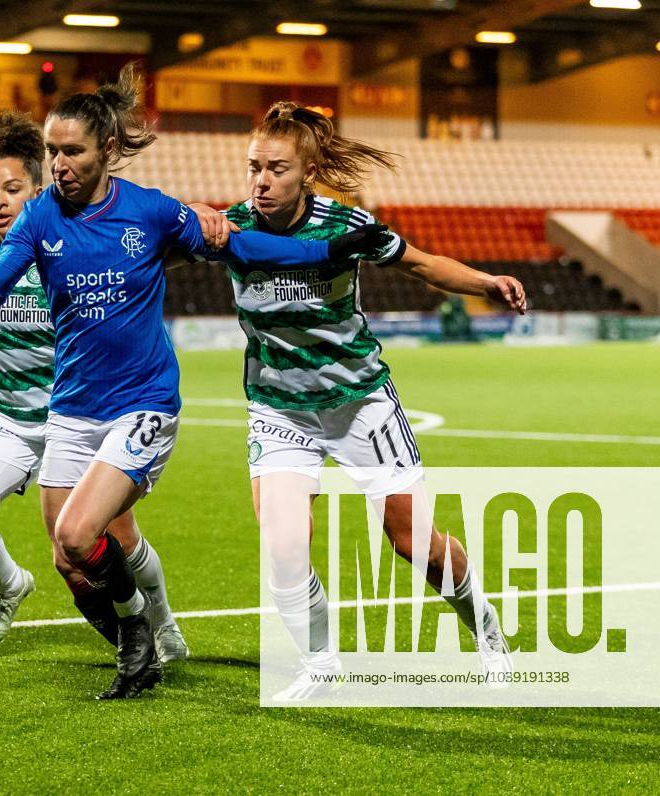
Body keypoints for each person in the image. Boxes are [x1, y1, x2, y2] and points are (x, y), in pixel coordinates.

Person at [0, 66, 392, 699]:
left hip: (144, 404)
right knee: (67, 557)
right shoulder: (39, 217)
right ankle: (144, 633)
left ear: (108, 150)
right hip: (73, 407)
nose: (58, 165)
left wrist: (326, 251)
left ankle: (139, 632)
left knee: (79, 533)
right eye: (52, 151)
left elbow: (244, 249)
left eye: (72, 151)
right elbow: (2, 275)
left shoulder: (150, 210)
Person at [204, 102, 526, 700]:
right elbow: (152, 247)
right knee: (283, 544)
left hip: (359, 403)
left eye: (276, 169)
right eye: (254, 167)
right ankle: (321, 666)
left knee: (413, 543)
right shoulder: (231, 228)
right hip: (279, 407)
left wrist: (487, 282)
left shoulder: (346, 226)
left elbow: (424, 265)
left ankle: (483, 623)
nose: (261, 181)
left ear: (307, 172)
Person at [0, 111, 188, 660]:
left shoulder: (63, 247)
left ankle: (163, 623)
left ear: (37, 191)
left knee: (115, 540)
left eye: (12, 189)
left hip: (76, 415)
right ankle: (12, 585)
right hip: (5, 415)